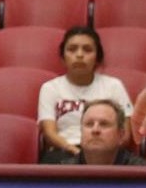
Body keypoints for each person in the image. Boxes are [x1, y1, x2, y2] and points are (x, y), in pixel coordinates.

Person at [38, 26, 133, 162]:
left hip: (107, 152)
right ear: (63, 57)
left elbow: (125, 133)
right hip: (66, 151)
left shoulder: (114, 86)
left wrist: (99, 152)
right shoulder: (50, 88)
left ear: (97, 58)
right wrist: (77, 152)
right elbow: (49, 132)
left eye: (87, 50)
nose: (80, 55)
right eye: (72, 49)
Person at [51, 100, 141, 166]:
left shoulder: (140, 173)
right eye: (89, 124)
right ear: (81, 133)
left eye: (104, 124)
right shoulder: (62, 174)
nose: (95, 130)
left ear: (121, 135)